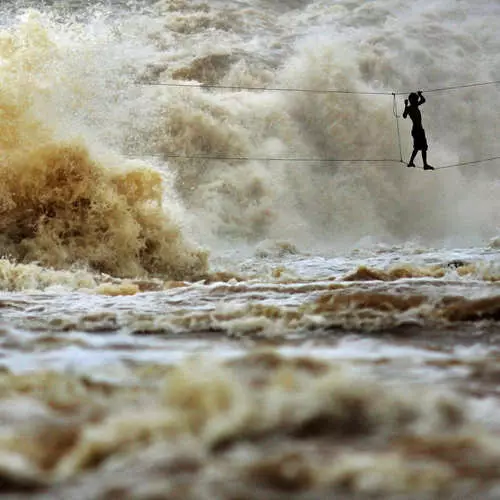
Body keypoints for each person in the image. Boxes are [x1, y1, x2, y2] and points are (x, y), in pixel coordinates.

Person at [403, 91, 434, 170]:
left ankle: (420, 164)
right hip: (417, 131)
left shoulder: (415, 105)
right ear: (411, 100)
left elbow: (423, 100)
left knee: (421, 148)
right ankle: (417, 163)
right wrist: (405, 105)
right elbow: (404, 116)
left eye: (416, 100)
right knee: (419, 147)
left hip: (419, 130)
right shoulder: (410, 108)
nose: (417, 101)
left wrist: (420, 95)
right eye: (415, 100)